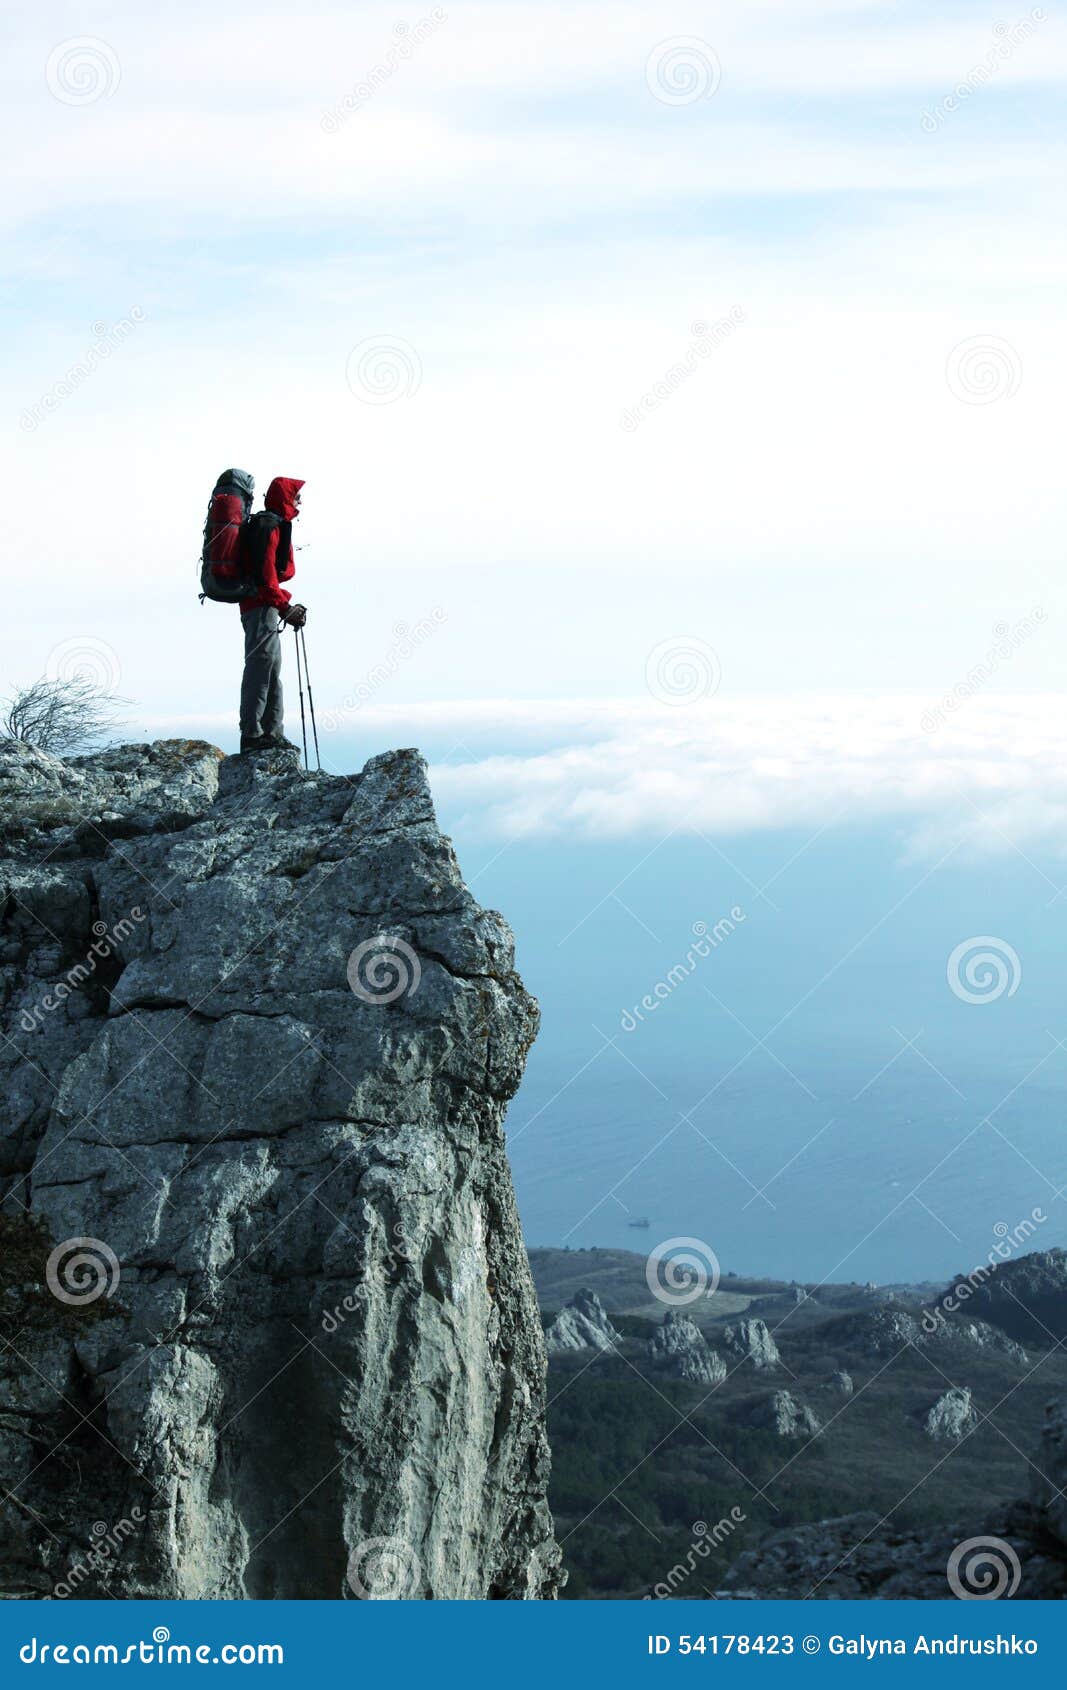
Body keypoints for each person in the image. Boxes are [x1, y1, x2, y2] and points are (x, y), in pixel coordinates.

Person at [238, 477, 307, 752]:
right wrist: (284, 607)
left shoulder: (271, 524)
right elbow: (266, 578)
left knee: (270, 668)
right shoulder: (268, 526)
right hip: (260, 607)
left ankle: (271, 733)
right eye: (297, 497)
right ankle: (253, 735)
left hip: (262, 606)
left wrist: (283, 604)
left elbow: (269, 580)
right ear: (286, 498)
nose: (300, 502)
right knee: (261, 666)